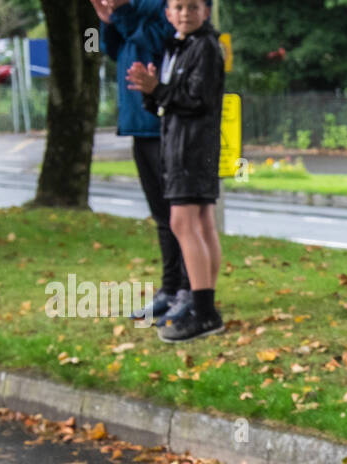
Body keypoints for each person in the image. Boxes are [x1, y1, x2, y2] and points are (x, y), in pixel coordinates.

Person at [125, 0, 225, 342]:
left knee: (184, 223)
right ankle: (204, 307)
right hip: (183, 148)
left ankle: (203, 310)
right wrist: (150, 92)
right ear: (168, 14)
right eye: (178, 7)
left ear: (206, 12)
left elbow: (198, 100)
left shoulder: (206, 48)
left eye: (192, 6)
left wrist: (159, 91)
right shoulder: (180, 47)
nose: (184, 13)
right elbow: (172, 102)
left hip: (193, 151)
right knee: (200, 224)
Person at [91, 0, 191, 325]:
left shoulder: (171, 5)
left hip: (167, 120)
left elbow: (161, 39)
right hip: (139, 119)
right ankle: (170, 288)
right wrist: (107, 20)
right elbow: (118, 49)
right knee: (162, 215)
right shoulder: (130, 6)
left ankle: (191, 290)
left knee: (182, 214)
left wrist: (120, 14)